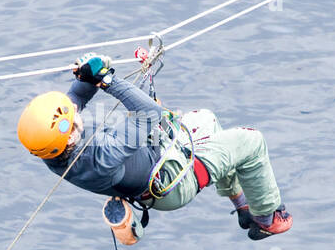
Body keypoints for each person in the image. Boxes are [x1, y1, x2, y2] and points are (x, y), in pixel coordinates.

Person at [16, 52, 292, 239]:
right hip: (174, 180)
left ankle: (243, 205)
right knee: (251, 141)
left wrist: (87, 75)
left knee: (205, 118)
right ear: (70, 134)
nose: (75, 111)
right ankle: (266, 220)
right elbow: (148, 114)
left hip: (157, 153)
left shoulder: (53, 148)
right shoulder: (99, 159)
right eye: (72, 116)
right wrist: (107, 79)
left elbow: (76, 96)